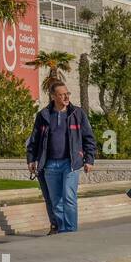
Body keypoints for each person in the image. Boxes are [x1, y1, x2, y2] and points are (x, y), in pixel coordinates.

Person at [25, 83, 96, 234]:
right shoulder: (44, 115)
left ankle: (70, 231)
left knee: (69, 197)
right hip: (50, 164)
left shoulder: (77, 113)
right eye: (62, 94)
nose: (66, 97)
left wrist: (89, 159)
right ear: (53, 96)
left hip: (70, 163)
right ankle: (62, 231)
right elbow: (34, 140)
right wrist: (31, 159)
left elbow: (89, 138)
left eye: (67, 93)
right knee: (56, 200)